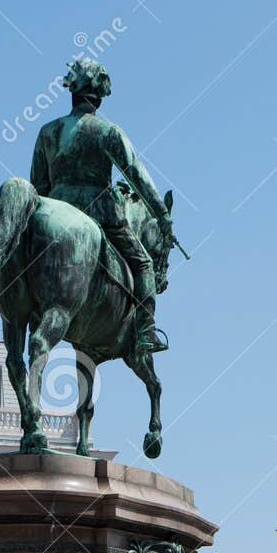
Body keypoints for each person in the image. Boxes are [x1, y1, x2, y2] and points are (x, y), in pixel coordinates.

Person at [29, 58, 172, 354]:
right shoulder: (108, 132)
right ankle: (146, 332)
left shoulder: (48, 132)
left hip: (54, 207)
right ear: (99, 96)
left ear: (73, 93)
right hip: (100, 213)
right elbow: (137, 176)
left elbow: (38, 186)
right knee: (144, 264)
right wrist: (162, 214)